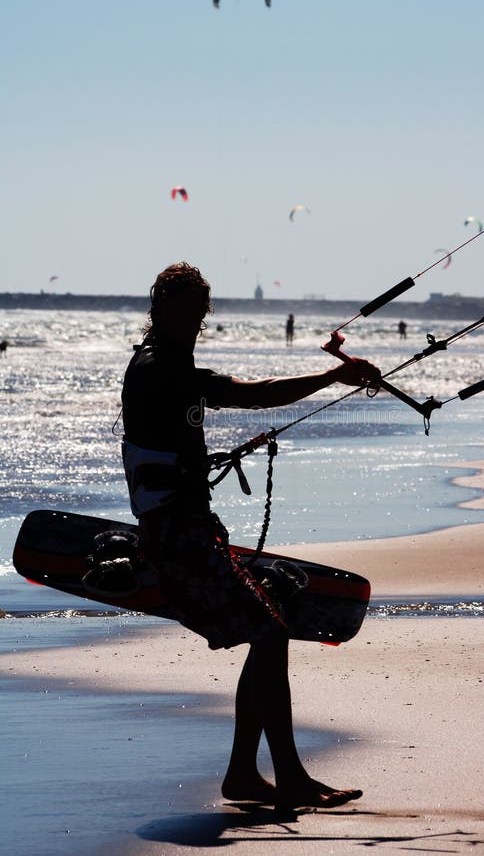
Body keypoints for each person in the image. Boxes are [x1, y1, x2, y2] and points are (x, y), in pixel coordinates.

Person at [120, 262, 381, 808]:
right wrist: (333, 377)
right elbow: (251, 394)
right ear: (160, 309)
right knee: (268, 629)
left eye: (200, 313)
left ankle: (244, 774)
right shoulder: (158, 368)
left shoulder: (171, 365)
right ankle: (288, 777)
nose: (193, 322)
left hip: (190, 526)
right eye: (184, 311)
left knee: (270, 618)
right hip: (174, 534)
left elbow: (170, 441)